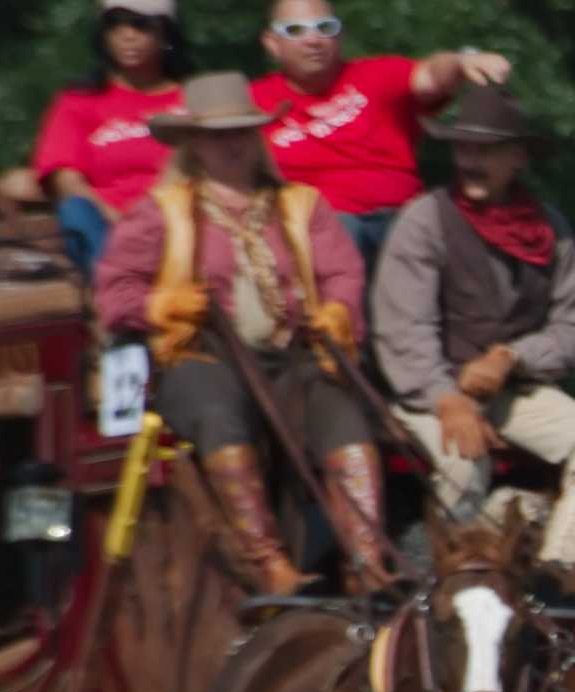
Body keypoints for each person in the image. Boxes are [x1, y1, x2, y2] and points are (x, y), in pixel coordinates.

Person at [95, 72, 387, 596]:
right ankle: (267, 561)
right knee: (216, 412)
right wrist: (165, 305)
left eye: (240, 133)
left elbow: (343, 273)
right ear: (194, 144)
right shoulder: (161, 211)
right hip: (203, 356)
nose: (230, 145)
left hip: (295, 354)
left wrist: (337, 313)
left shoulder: (302, 205)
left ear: (256, 138)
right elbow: (115, 291)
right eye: (216, 136)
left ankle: (367, 564)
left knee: (345, 419)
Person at [372, 85, 575, 571]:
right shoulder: (425, 221)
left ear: (518, 158)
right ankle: (435, 582)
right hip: (427, 393)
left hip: (514, 391)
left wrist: (513, 356)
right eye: (464, 148)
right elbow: (402, 330)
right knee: (463, 459)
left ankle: (558, 569)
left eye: (486, 150)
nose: (471, 161)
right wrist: (447, 400)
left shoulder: (550, 228)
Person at [250, 0, 513, 263]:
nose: (313, 40)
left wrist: (460, 62)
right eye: (295, 30)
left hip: (402, 221)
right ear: (272, 43)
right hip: (320, 232)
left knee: (446, 225)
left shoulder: (378, 75)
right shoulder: (254, 103)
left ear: (340, 35)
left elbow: (432, 76)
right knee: (338, 234)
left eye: (325, 27)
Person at [31, 1, 195, 277]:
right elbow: (67, 181)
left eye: (140, 25)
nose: (127, 35)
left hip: (178, 222)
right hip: (107, 228)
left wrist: (149, 221)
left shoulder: (192, 98)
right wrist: (117, 220)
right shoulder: (77, 102)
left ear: (166, 33)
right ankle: (117, 286)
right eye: (114, 24)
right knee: (76, 210)